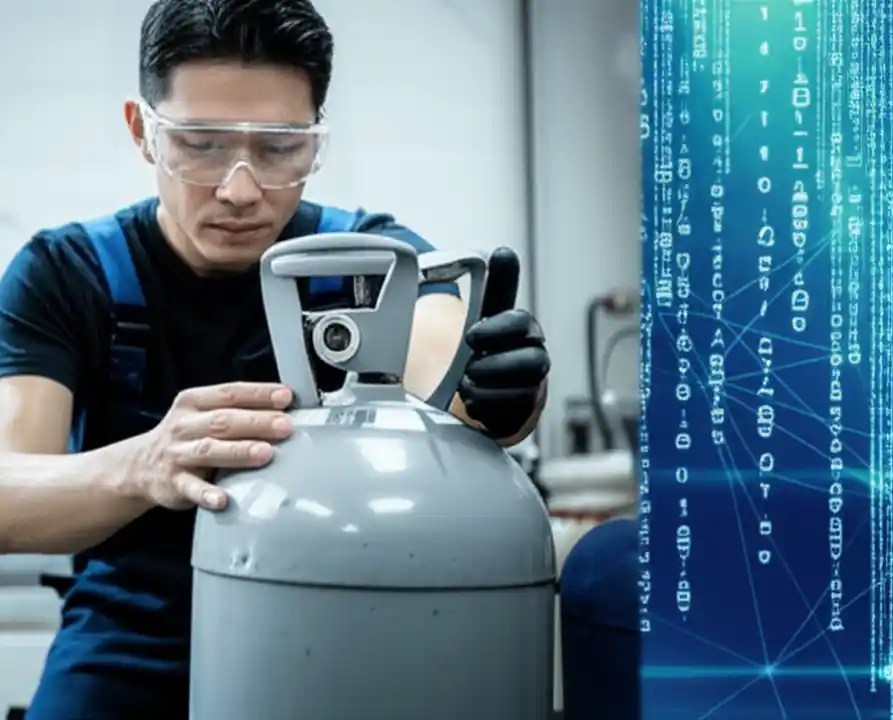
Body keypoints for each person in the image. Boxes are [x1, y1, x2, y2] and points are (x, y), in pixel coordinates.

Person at [0, 0, 550, 716]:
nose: (240, 189)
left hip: (334, 624)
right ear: (143, 132)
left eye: (279, 147)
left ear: (317, 138)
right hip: (125, 640)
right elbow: (9, 492)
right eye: (199, 144)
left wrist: (502, 393)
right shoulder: (69, 273)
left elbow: (450, 361)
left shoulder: (367, 262)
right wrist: (143, 462)